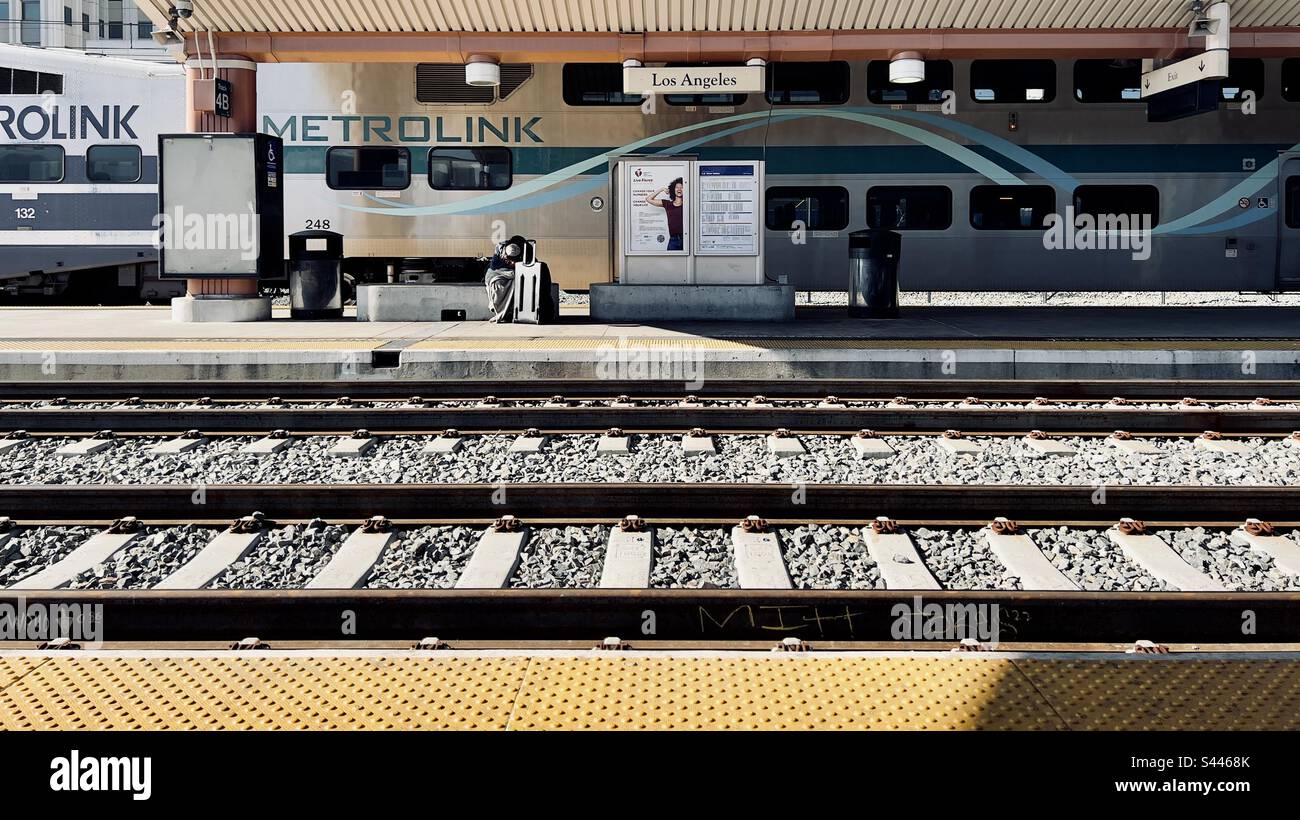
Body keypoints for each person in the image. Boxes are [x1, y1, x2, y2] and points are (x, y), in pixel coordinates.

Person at [484, 235, 526, 323]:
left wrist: (517, 267)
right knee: (497, 285)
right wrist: (511, 271)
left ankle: (509, 312)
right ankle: (500, 312)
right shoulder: (499, 251)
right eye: (507, 259)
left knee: (517, 283)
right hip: (497, 273)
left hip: (514, 274)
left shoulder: (526, 250)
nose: (509, 262)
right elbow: (495, 269)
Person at [645, 177, 685, 251]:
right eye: (677, 187)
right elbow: (648, 199)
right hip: (673, 240)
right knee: (671, 262)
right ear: (673, 189)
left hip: (687, 239)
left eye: (682, 187)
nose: (679, 189)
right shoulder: (667, 204)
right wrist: (662, 189)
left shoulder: (688, 204)